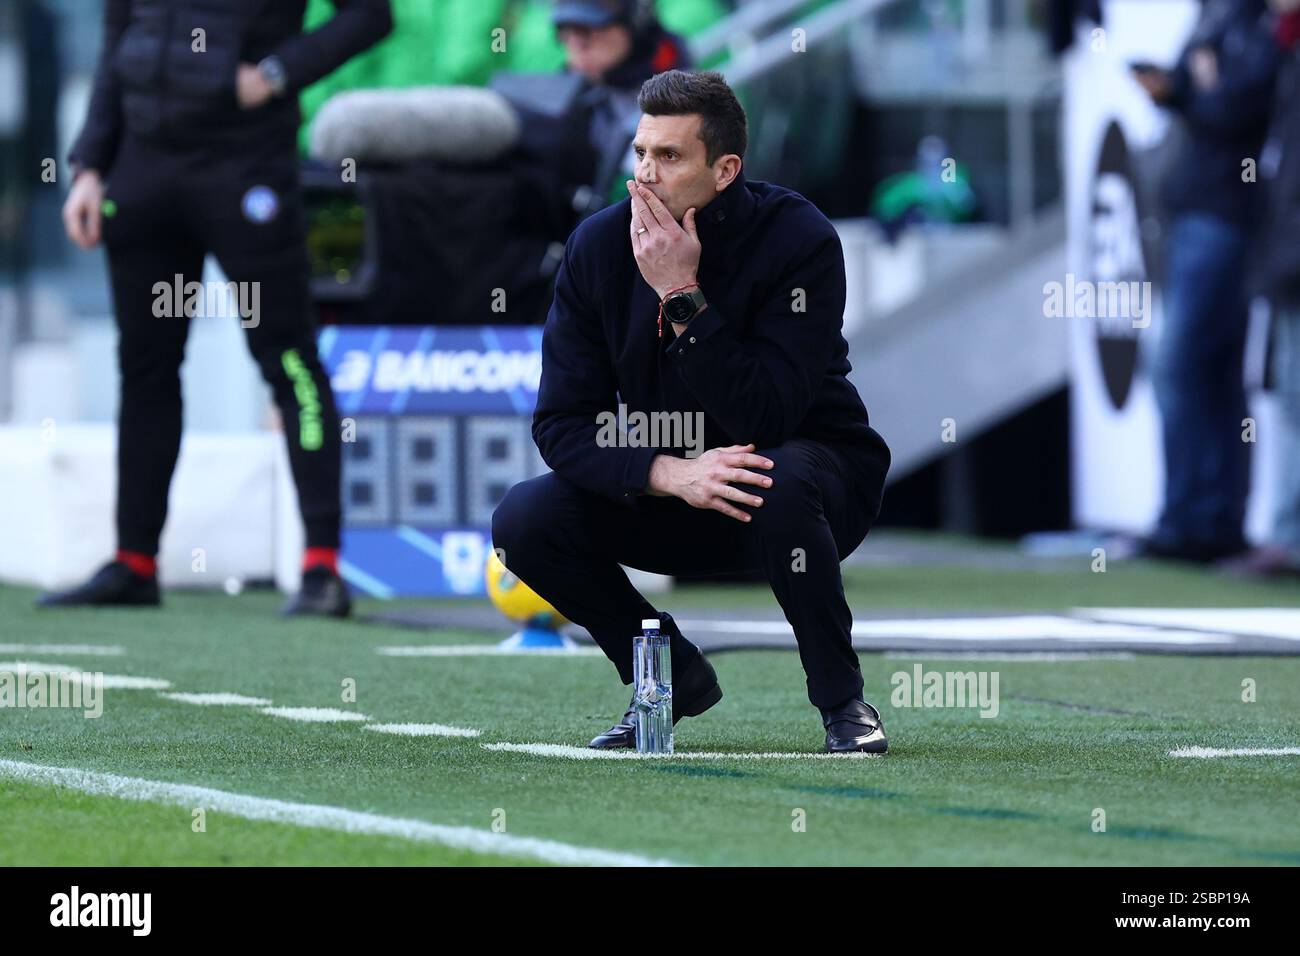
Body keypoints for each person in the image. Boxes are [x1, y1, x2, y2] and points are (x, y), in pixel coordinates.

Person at [491, 71, 893, 753]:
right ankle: (670, 676)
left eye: (669, 157)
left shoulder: (799, 238)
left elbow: (768, 412)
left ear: (725, 169)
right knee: (524, 519)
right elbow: (560, 424)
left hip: (812, 482)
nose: (645, 176)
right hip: (678, 488)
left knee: (778, 475)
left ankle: (843, 703)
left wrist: (680, 293)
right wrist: (666, 472)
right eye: (640, 154)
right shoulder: (595, 246)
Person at [43, 0, 392, 615]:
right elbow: (118, 39)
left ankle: (322, 568)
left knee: (288, 362)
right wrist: (89, 165)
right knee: (146, 371)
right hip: (141, 171)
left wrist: (276, 74)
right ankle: (134, 562)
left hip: (243, 168)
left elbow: (369, 15)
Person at [1132, 0, 1281, 563]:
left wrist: (1193, 90)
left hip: (1228, 218)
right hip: (1196, 213)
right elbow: (1197, 88)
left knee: (1187, 366)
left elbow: (1237, 106)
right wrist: (1190, 86)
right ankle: (1197, 518)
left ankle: (1199, 520)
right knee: (1206, 371)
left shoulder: (1262, 23)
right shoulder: (1220, 17)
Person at [1223, 0, 1300, 577]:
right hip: (1286, 254)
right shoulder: (1281, 46)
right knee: (1288, 396)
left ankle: (1286, 535)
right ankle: (1285, 534)